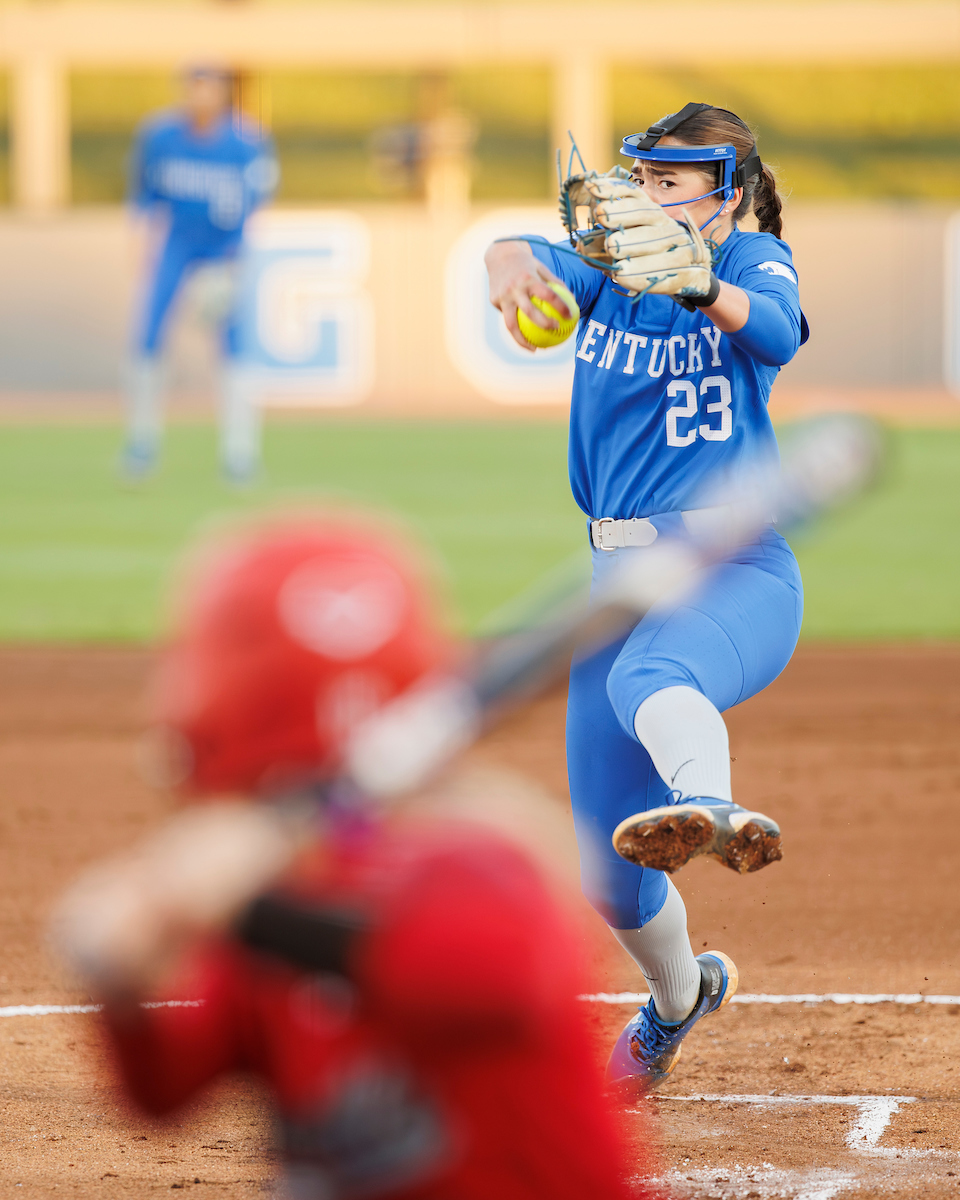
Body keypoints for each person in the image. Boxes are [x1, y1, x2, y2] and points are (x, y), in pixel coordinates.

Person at [53, 513, 648, 1200]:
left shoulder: (482, 848)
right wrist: (121, 987)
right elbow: (164, 1092)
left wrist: (249, 910)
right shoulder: (282, 877)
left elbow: (490, 979)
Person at [485, 102, 808, 1092]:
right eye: (646, 175)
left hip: (734, 570)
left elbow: (782, 335)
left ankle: (706, 802)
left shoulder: (751, 261)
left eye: (674, 179)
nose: (648, 195)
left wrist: (704, 284)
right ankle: (680, 999)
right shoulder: (609, 272)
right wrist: (509, 268)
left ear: (731, 191)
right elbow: (519, 251)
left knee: (658, 674)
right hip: (613, 583)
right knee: (611, 880)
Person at [123, 65, 278, 482]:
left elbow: (256, 201)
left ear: (223, 94)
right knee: (149, 337)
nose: (201, 96)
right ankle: (141, 445)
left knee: (235, 347)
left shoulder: (246, 142)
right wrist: (140, 241)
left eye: (209, 88)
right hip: (177, 243)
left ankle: (240, 453)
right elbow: (144, 195)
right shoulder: (160, 136)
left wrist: (233, 263)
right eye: (194, 88)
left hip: (223, 250)